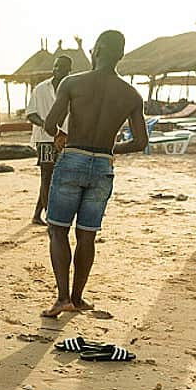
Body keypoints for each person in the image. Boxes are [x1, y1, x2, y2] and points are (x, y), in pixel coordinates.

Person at [40, 30, 149, 317]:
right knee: (87, 235)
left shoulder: (73, 83)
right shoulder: (131, 93)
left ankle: (62, 297)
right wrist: (111, 149)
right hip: (103, 165)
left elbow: (50, 124)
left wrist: (61, 135)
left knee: (58, 229)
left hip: (73, 157)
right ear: (121, 55)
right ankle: (77, 297)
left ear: (96, 50)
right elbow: (140, 142)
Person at [27, 55, 73, 225]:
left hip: (66, 139)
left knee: (55, 177)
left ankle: (37, 214)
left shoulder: (73, 90)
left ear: (69, 70)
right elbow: (31, 113)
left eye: (61, 67)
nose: (57, 70)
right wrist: (46, 124)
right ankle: (49, 215)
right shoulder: (40, 89)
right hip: (45, 140)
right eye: (55, 66)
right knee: (46, 175)